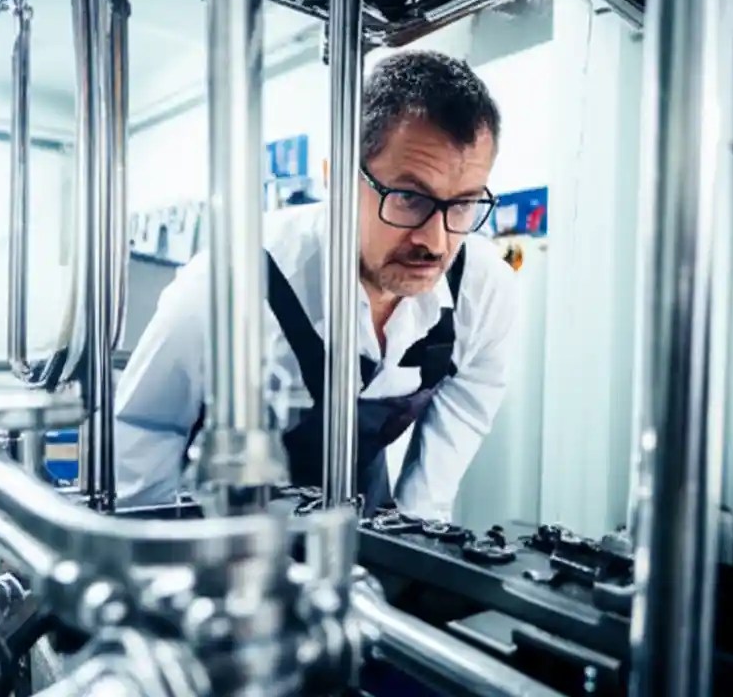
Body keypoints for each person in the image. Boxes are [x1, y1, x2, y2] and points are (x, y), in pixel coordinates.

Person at [114, 50, 519, 521]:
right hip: (225, 524)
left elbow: (455, 434)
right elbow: (143, 430)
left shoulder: (482, 291)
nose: (435, 240)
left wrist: (410, 551)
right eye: (408, 197)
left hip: (360, 512)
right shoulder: (233, 280)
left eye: (464, 205)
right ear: (338, 177)